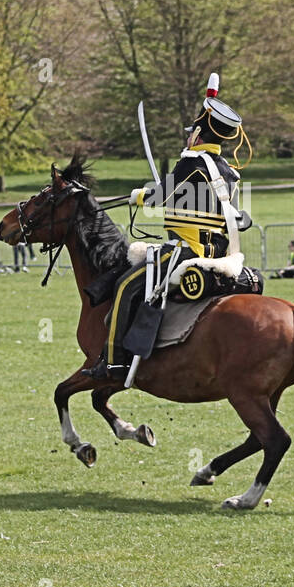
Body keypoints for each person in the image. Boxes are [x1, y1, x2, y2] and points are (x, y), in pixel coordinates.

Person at [89, 80, 250, 379]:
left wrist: (140, 195)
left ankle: (113, 362)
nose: (188, 137)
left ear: (198, 136)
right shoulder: (228, 171)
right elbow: (238, 217)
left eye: (191, 132)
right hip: (223, 253)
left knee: (125, 287)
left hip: (186, 252)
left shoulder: (191, 163)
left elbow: (160, 196)